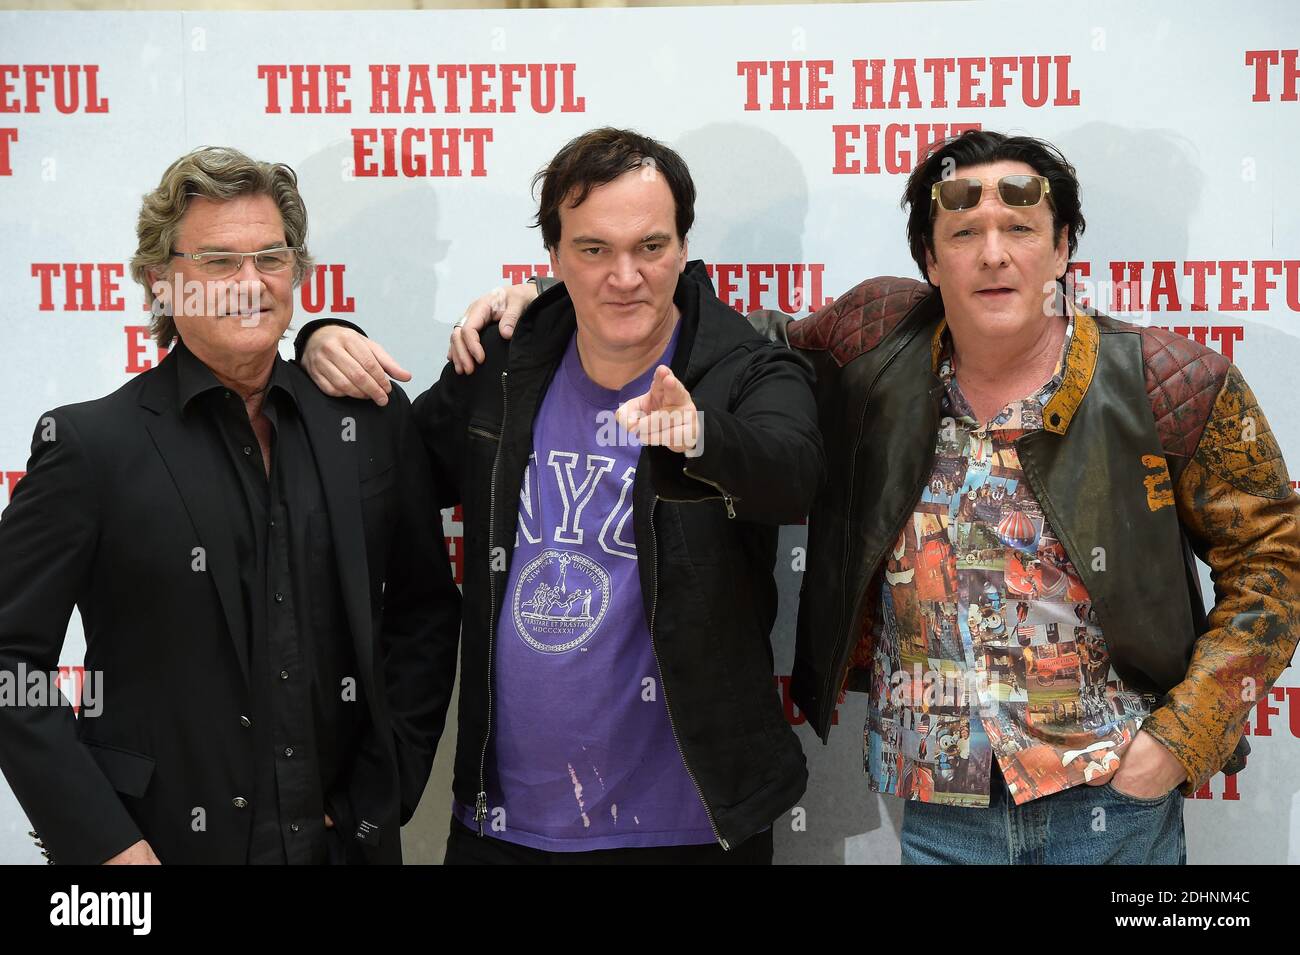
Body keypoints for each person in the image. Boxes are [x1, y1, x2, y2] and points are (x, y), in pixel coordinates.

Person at [412, 129, 1299, 865]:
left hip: (1114, 803)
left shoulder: (1170, 380)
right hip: (941, 804)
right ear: (927, 255)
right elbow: (706, 336)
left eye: (1022, 227)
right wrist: (544, 302)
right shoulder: (874, 341)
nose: (993, 251)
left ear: (1063, 247)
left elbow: (1277, 558)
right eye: (964, 230)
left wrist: (1184, 736)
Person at [298, 128, 823, 864]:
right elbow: (393, 474)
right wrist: (319, 339)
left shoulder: (743, 367)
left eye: (650, 246)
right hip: (502, 825)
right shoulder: (506, 361)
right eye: (593, 249)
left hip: (693, 826)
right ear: (554, 257)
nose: (625, 275)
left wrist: (699, 434)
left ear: (683, 248)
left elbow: (792, 470)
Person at [0, 146, 461, 864]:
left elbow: (424, 611)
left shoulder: (367, 421)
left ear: (297, 273)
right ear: (162, 283)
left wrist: (384, 790)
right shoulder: (92, 447)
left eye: (270, 258)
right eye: (218, 262)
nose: (249, 283)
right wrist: (106, 843)